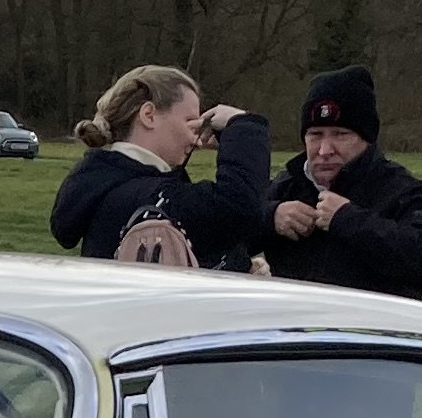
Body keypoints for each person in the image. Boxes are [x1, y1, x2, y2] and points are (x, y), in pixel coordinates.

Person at [50, 64, 270, 268]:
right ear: (149, 115)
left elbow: (218, 229)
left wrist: (238, 268)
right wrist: (242, 127)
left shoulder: (105, 185)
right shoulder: (143, 195)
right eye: (190, 122)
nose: (197, 140)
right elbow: (239, 208)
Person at [261, 65, 422, 297]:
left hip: (372, 330)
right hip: (297, 329)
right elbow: (227, 236)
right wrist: (271, 216)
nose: (324, 149)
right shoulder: (286, 186)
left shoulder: (402, 190)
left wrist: (347, 218)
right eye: (315, 134)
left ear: (367, 139)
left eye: (340, 134)